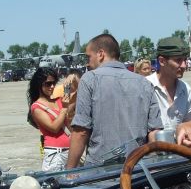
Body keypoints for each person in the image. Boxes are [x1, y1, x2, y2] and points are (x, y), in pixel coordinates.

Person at [67, 34, 162, 168]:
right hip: (137, 170)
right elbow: (154, 132)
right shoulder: (144, 83)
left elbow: (81, 131)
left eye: (89, 57)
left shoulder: (90, 79)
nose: (87, 63)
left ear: (100, 54)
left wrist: (69, 171)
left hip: (100, 172)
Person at [148, 37, 191, 135]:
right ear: (162, 61)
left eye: (185, 60)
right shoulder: (145, 88)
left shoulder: (186, 91)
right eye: (178, 60)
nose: (184, 65)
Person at [28, 67, 73, 171]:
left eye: (54, 83)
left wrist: (71, 79)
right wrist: (64, 108)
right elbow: (54, 127)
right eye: (48, 84)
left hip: (69, 151)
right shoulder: (37, 107)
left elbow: (74, 96)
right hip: (55, 154)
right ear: (39, 84)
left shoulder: (59, 100)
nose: (52, 87)